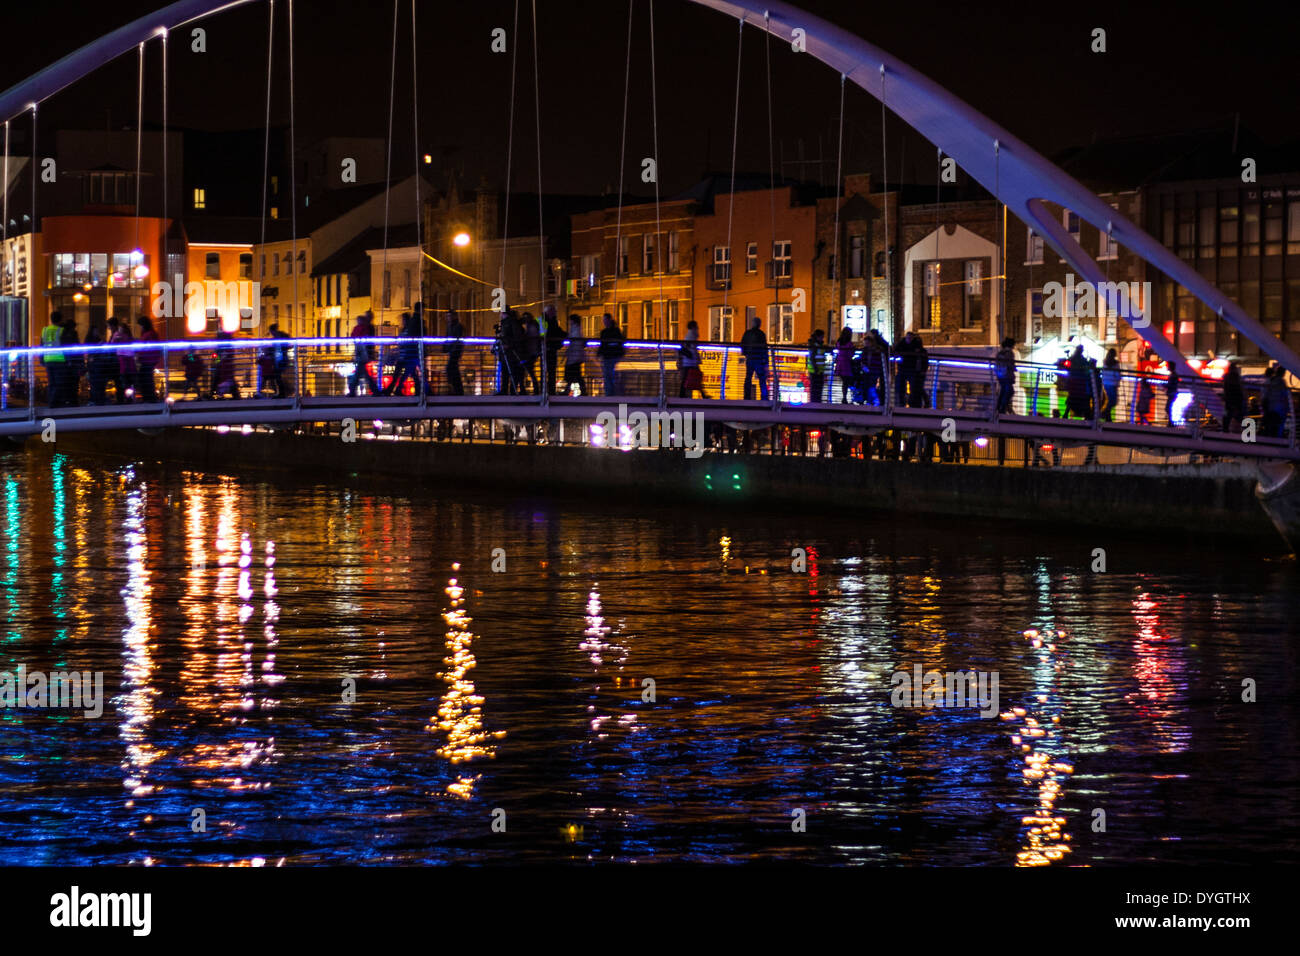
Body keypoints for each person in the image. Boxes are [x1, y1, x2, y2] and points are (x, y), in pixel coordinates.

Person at [384, 310, 425, 396]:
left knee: (403, 375)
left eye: (403, 320)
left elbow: (404, 343)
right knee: (411, 375)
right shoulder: (404, 330)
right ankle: (397, 390)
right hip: (404, 356)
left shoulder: (408, 331)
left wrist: (397, 349)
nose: (402, 321)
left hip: (405, 356)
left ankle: (393, 390)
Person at [494, 309, 526, 394]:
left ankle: (511, 390)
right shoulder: (505, 323)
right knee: (505, 371)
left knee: (511, 371)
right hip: (506, 352)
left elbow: (516, 336)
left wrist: (510, 345)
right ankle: (506, 390)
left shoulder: (511, 323)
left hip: (510, 352)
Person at [348, 310, 380, 396]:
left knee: (359, 373)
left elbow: (355, 337)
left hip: (363, 353)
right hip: (364, 353)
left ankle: (352, 391)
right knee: (364, 373)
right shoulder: (368, 327)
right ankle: (375, 390)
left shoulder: (366, 327)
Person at [38, 311, 66, 407]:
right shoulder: (61, 330)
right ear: (60, 319)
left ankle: (51, 402)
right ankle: (55, 403)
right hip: (59, 359)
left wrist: (41, 358)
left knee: (51, 383)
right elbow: (64, 345)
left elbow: (41, 345)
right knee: (59, 383)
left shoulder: (44, 330)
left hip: (48, 359)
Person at [740, 314, 770, 401]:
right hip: (759, 359)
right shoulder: (761, 334)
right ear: (759, 324)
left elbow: (742, 344)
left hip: (750, 358)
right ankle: (764, 397)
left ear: (753, 324)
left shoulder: (747, 333)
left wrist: (746, 354)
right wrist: (766, 362)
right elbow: (765, 348)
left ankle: (747, 396)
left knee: (748, 377)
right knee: (761, 379)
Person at [597, 313, 625, 396]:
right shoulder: (606, 332)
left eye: (605, 320)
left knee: (609, 375)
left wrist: (600, 352)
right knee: (608, 375)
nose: (604, 322)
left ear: (609, 320)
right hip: (608, 355)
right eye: (603, 320)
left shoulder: (612, 331)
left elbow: (605, 344)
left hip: (611, 355)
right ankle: (610, 393)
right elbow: (603, 344)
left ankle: (610, 394)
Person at [84, 318, 111, 406]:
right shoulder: (91, 340)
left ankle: (98, 399)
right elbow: (89, 352)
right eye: (95, 331)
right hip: (94, 365)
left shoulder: (98, 339)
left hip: (99, 365)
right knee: (94, 383)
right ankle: (95, 399)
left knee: (98, 383)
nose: (96, 332)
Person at [135, 315, 161, 403]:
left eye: (141, 325)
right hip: (149, 360)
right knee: (146, 378)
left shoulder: (148, 334)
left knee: (144, 379)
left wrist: (139, 354)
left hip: (147, 360)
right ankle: (149, 397)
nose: (140, 327)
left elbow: (145, 347)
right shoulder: (151, 333)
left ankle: (148, 398)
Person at [111, 316, 136, 403]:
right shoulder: (128, 337)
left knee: (125, 381)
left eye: (120, 329)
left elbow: (112, 344)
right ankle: (129, 398)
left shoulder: (120, 336)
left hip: (124, 361)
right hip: (128, 361)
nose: (119, 330)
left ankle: (127, 398)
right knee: (128, 381)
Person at [1262, 365, 1292, 438]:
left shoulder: (1270, 380)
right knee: (1280, 425)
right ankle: (1278, 438)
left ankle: (1269, 438)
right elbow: (1285, 395)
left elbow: (1265, 394)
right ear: (1283, 373)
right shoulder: (1282, 382)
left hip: (1271, 406)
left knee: (1271, 424)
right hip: (1281, 407)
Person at [679, 320, 706, 398]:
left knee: (689, 378)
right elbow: (687, 348)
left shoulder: (690, 336)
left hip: (690, 362)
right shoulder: (691, 336)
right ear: (693, 327)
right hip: (690, 362)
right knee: (695, 378)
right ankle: (703, 395)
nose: (698, 328)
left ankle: (682, 395)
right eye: (696, 326)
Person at [211, 330, 240, 399]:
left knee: (217, 379)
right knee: (229, 380)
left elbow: (217, 355)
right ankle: (236, 396)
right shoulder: (227, 346)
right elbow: (217, 355)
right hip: (225, 366)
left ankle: (211, 394)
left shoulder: (222, 346)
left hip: (223, 366)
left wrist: (216, 361)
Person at [1066, 345, 1091, 419]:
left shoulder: (1072, 358)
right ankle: (1086, 415)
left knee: (1072, 397)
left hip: (1073, 380)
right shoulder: (1082, 359)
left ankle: (1066, 413)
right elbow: (1086, 368)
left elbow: (1068, 367)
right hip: (1080, 381)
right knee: (1082, 398)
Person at [443, 309, 465, 395]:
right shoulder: (449, 326)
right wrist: (445, 348)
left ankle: (455, 389)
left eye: (449, 316)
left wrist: (453, 350)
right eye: (447, 316)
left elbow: (458, 340)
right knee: (454, 370)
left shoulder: (458, 326)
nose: (448, 318)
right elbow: (447, 338)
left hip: (455, 351)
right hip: (452, 351)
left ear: (454, 316)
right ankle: (458, 390)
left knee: (450, 369)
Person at [563, 315, 585, 395]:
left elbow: (575, 342)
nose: (569, 322)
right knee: (575, 374)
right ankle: (581, 390)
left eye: (570, 320)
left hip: (574, 356)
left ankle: (568, 390)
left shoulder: (575, 330)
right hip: (575, 356)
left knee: (572, 374)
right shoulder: (576, 329)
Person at [995, 337, 1017, 414]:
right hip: (1007, 375)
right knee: (1010, 391)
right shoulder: (1010, 353)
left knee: (1003, 391)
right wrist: (1014, 369)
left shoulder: (1000, 353)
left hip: (1000, 375)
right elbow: (1010, 364)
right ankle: (1002, 409)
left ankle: (998, 407)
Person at [543, 306, 563, 395]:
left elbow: (556, 331)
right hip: (547, 349)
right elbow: (546, 333)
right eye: (554, 311)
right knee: (547, 371)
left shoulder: (553, 321)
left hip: (551, 348)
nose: (555, 313)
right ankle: (547, 390)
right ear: (549, 312)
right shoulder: (544, 321)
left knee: (551, 371)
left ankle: (550, 389)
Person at [521, 312, 542, 394]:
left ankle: (535, 388)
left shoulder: (532, 326)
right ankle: (535, 388)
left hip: (531, 352)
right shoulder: (532, 325)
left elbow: (531, 337)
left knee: (529, 370)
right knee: (529, 370)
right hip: (532, 351)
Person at [833, 327, 855, 403]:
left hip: (840, 363)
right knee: (847, 381)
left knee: (845, 382)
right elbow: (851, 354)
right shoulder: (849, 343)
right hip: (846, 364)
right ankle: (847, 397)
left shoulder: (839, 342)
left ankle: (844, 397)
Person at [805, 329, 827, 403]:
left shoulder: (817, 345)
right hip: (816, 371)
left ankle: (816, 402)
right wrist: (816, 369)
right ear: (818, 337)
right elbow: (812, 358)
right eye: (822, 337)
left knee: (817, 389)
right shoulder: (815, 346)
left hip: (818, 370)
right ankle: (815, 403)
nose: (823, 338)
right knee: (816, 389)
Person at [1100, 348, 1121, 421]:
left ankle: (1108, 418)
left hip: (1106, 383)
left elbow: (1103, 373)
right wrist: (1118, 380)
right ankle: (1104, 412)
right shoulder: (1116, 364)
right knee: (1113, 401)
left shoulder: (1105, 362)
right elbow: (1117, 375)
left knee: (1109, 400)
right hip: (1113, 383)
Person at [1164, 360, 1181, 426]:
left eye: (1168, 366)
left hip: (1172, 393)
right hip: (1173, 393)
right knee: (1168, 408)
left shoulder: (1173, 375)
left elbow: (1171, 385)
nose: (1167, 367)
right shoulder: (1174, 374)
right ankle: (1170, 422)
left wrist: (1164, 385)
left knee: (1168, 408)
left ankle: (1170, 422)